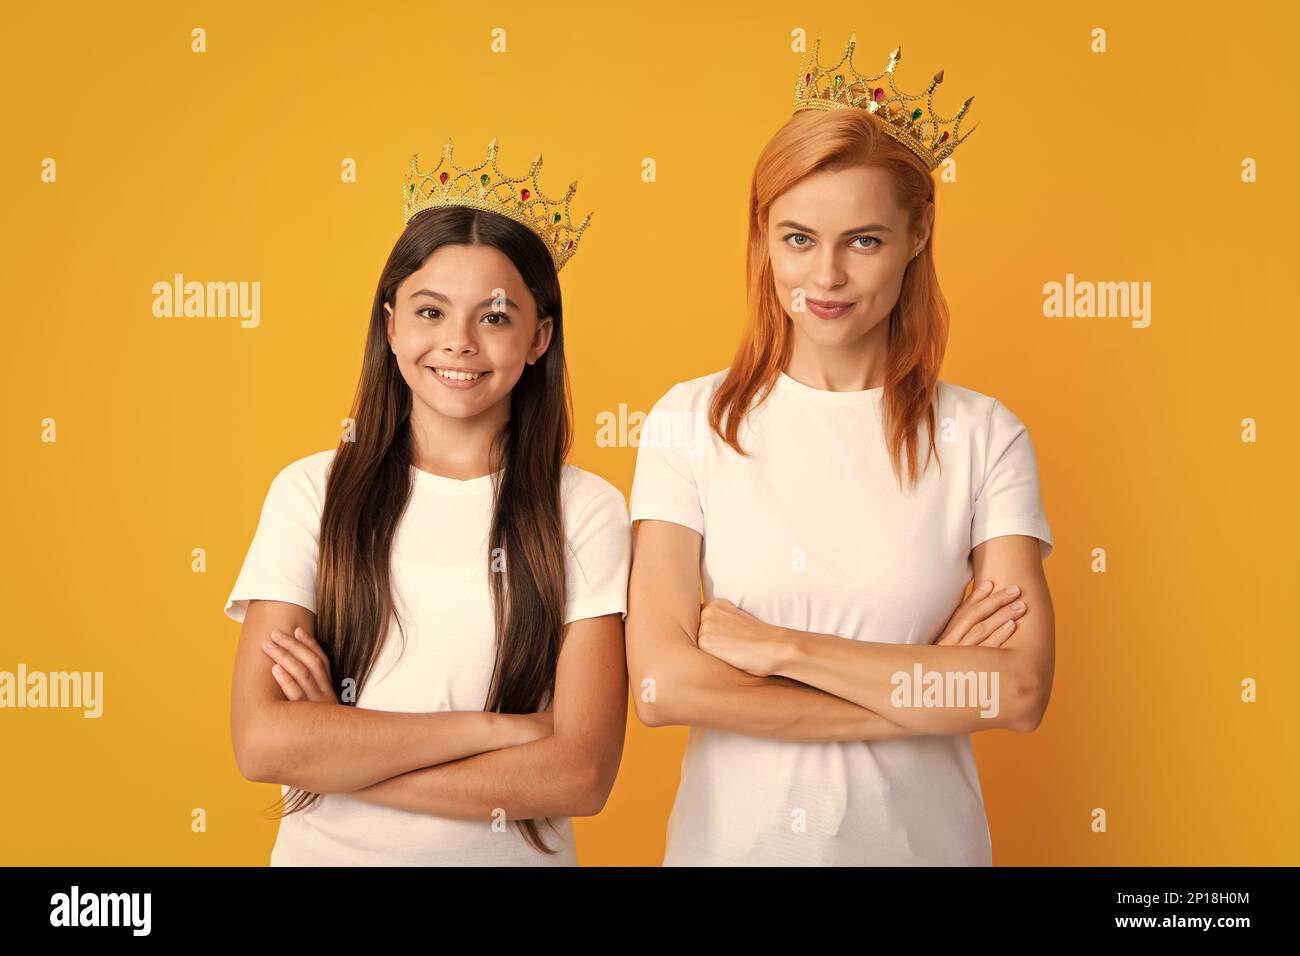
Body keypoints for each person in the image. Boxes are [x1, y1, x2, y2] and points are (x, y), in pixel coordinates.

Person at [626, 38, 1056, 866]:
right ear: (763, 237)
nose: (825, 277)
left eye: (863, 240)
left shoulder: (984, 436)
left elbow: (1019, 691)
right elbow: (662, 687)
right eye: (797, 238)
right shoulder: (691, 422)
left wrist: (782, 651)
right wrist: (932, 682)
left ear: (917, 234)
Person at [222, 138, 631, 866]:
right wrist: (497, 730)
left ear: (539, 337)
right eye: (431, 312)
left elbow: (579, 774)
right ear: (390, 324)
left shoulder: (588, 512)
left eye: (496, 318)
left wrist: (338, 747)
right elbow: (262, 744)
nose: (459, 344)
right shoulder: (310, 494)